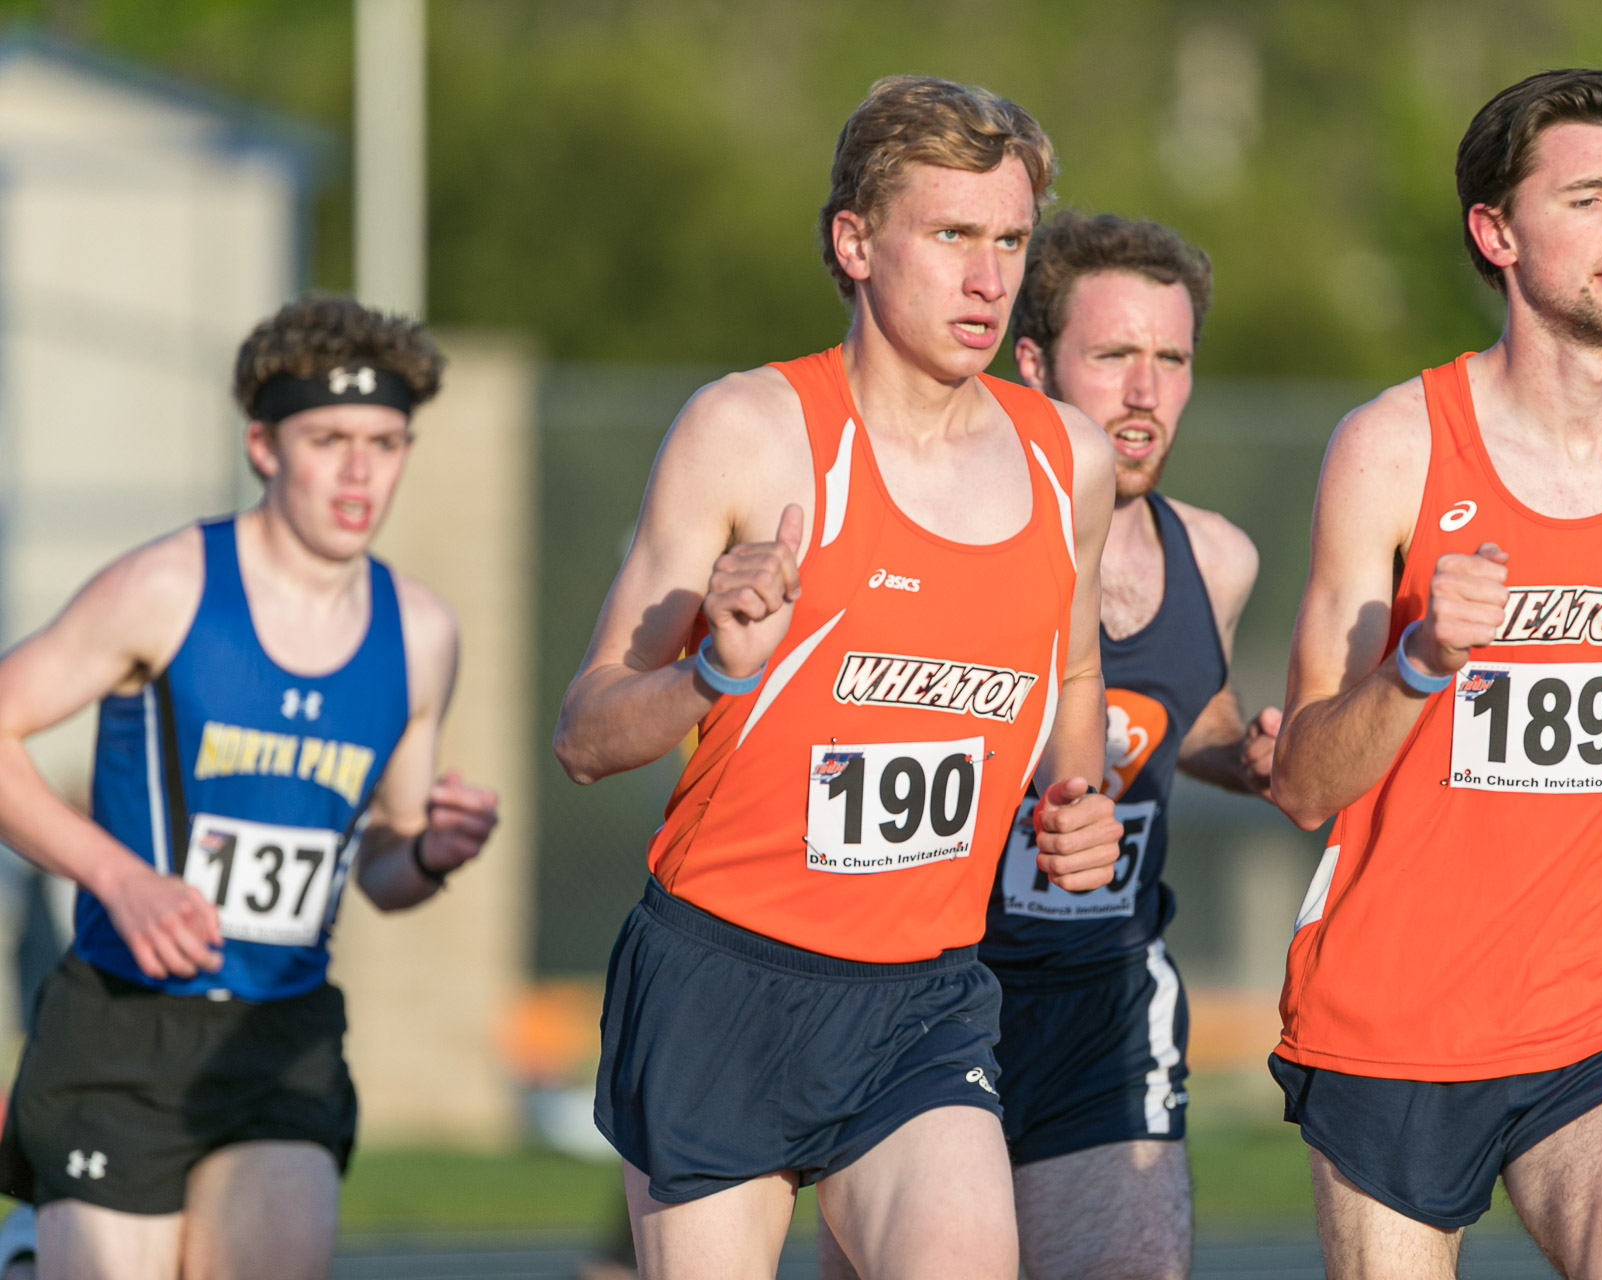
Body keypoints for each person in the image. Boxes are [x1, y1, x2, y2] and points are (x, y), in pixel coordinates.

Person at [553, 76, 1122, 1280]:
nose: (988, 280)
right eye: (952, 235)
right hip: (723, 979)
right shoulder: (751, 433)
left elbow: (1072, 663)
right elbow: (587, 732)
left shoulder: (1065, 457)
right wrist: (711, 670)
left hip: (925, 996)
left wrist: (1077, 796)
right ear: (855, 242)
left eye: (1011, 241)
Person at [1266, 69, 1602, 1280]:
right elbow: (1303, 781)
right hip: (1391, 1019)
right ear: (1497, 231)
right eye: (1589, 197)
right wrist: (1418, 663)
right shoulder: (1392, 449)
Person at [0, 296, 501, 1280]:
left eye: (384, 443)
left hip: (280, 1030)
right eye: (329, 440)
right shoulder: (169, 587)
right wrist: (119, 879)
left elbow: (384, 869)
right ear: (264, 446)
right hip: (125, 1021)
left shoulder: (420, 632)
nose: (359, 472)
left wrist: (430, 851)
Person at [819, 211, 1277, 1280]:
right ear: (1033, 363)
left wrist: (1248, 752)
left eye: (1172, 360)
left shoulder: (1217, 558)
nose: (1144, 391)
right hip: (926, 994)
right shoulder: (951, 542)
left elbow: (1185, 714)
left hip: (1102, 997)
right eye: (1112, 356)